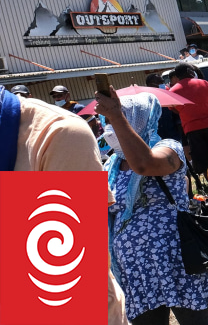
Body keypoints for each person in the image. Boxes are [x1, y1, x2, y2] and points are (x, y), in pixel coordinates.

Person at [0, 84, 129, 325]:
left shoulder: (52, 133)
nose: (58, 98)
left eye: (61, 95)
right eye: (55, 96)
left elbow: (62, 289)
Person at [95, 91, 208, 325]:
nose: (109, 128)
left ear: (137, 118)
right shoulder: (110, 165)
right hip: (135, 269)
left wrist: (116, 114)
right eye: (107, 122)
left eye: (117, 119)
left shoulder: (169, 148)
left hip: (177, 258)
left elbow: (144, 164)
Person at [167, 63, 208, 183]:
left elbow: (175, 110)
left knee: (202, 160)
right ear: (189, 71)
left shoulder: (173, 91)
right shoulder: (204, 83)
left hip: (191, 129)